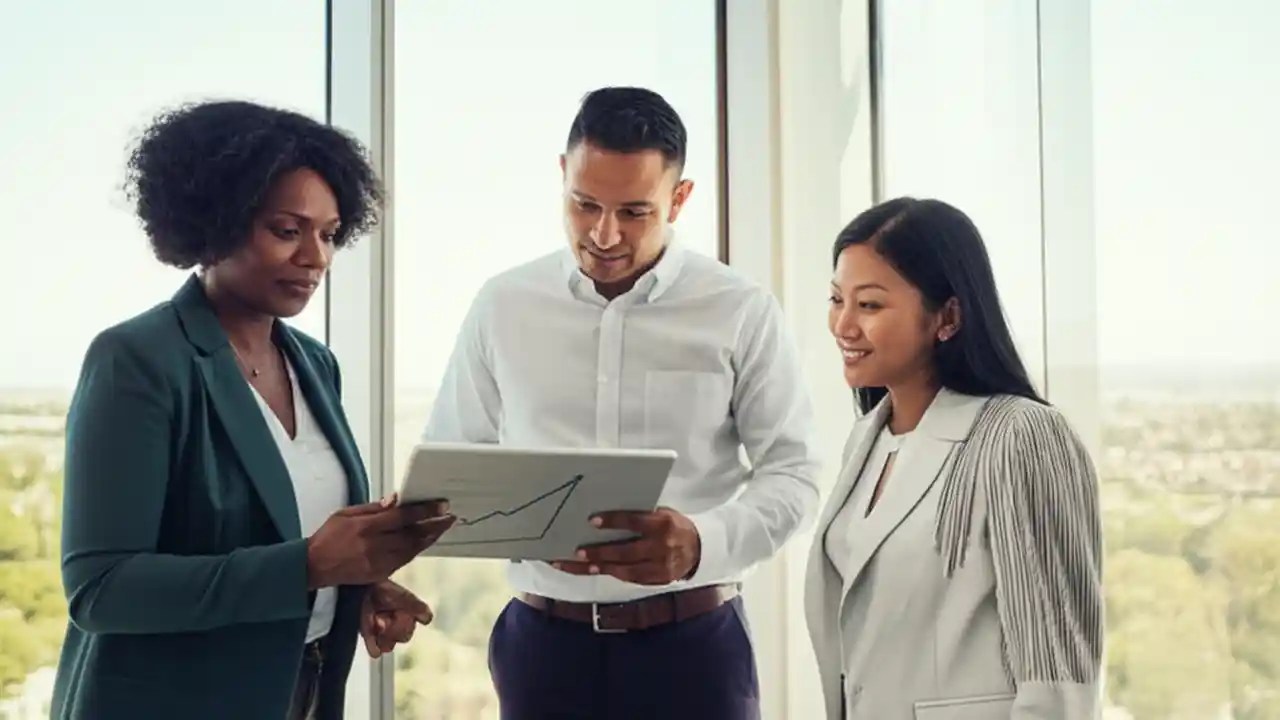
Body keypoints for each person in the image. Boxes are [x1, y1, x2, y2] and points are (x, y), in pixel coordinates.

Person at [423, 86, 821, 719]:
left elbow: (795, 476)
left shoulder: (740, 310)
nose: (603, 234)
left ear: (679, 198)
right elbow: (452, 465)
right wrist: (519, 529)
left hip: (694, 648)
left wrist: (700, 542)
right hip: (541, 650)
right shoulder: (502, 305)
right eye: (584, 205)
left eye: (635, 212)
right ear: (562, 175)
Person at [52, 100, 456, 720]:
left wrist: (354, 583)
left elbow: (283, 536)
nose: (317, 258)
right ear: (215, 223)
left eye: (328, 233)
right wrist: (310, 565)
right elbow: (102, 588)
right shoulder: (137, 361)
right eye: (287, 231)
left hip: (303, 690)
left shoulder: (315, 365)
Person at [803, 197, 1104, 719]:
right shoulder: (868, 441)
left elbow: (1057, 675)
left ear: (948, 315)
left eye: (870, 305)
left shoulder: (1020, 435)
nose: (843, 326)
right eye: (836, 300)